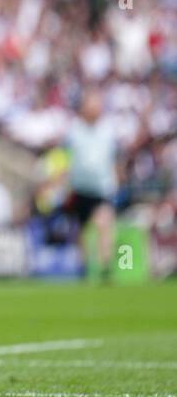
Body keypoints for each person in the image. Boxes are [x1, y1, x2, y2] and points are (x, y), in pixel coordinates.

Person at [61, 91, 119, 279]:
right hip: (79, 187)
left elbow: (114, 158)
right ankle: (84, 266)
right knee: (82, 229)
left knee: (104, 224)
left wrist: (117, 178)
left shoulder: (108, 130)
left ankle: (105, 266)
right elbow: (65, 158)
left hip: (103, 187)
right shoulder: (74, 130)